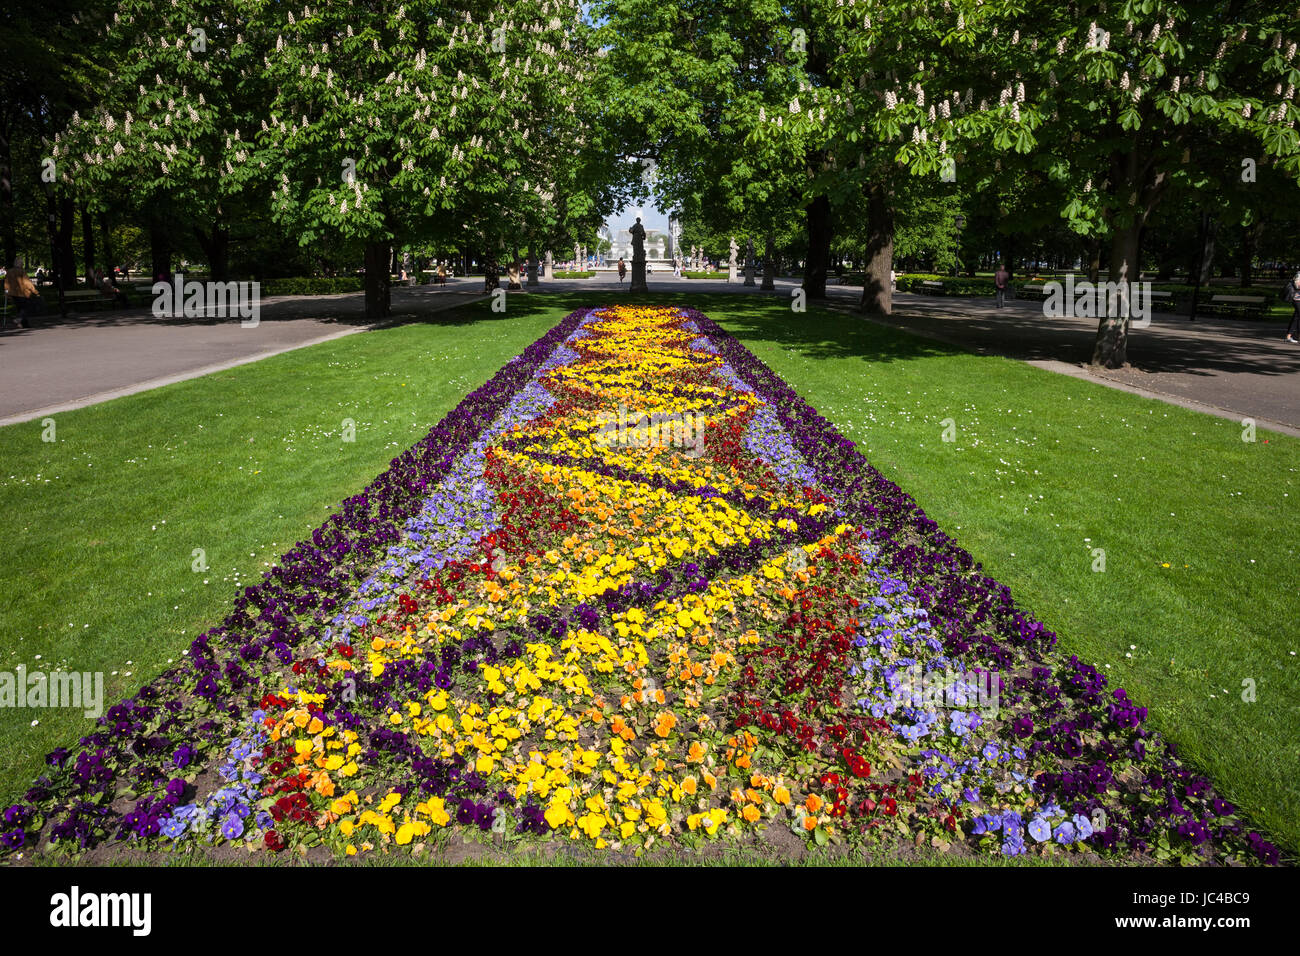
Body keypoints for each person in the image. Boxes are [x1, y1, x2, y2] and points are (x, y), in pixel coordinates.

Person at [4, 264, 43, 328]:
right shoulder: (22, 271)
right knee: (26, 307)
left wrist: (7, 293)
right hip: (22, 293)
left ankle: (24, 324)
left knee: (20, 308)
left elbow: (7, 284)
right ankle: (19, 319)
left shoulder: (9, 272)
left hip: (13, 293)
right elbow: (27, 283)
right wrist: (35, 292)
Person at [1284, 272, 1300, 343]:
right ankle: (1290, 336)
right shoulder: (1299, 274)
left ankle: (1289, 336)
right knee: (1297, 317)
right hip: (1297, 299)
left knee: (1296, 317)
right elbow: (1297, 285)